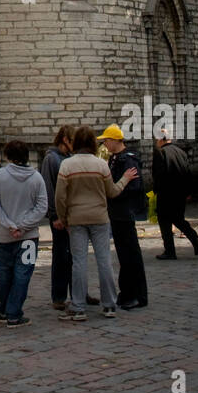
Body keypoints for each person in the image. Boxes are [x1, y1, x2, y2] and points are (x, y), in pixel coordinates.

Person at [54, 126, 138, 321]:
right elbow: (113, 192)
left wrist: (63, 218)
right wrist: (124, 180)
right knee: (104, 261)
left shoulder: (66, 166)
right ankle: (109, 304)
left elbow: (60, 197)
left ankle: (78, 306)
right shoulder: (101, 165)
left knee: (79, 263)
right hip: (100, 218)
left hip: (76, 219)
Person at [0, 139, 47, 328]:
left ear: (8, 156)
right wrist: (23, 225)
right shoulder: (36, 178)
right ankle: (14, 313)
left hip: (5, 235)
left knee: (5, 275)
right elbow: (42, 207)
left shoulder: (0, 175)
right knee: (23, 274)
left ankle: (5, 310)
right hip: (28, 236)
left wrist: (9, 224)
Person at [41, 126, 100, 310]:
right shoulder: (51, 158)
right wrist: (54, 216)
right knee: (61, 256)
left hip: (74, 216)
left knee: (77, 256)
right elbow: (49, 189)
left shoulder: (70, 158)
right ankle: (58, 296)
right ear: (65, 139)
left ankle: (79, 292)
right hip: (59, 217)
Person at [99, 124, 148, 310]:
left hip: (125, 212)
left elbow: (134, 187)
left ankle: (137, 295)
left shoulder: (128, 160)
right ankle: (126, 292)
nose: (104, 144)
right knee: (123, 255)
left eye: (106, 141)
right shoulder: (114, 158)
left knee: (131, 255)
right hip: (116, 213)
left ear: (114, 140)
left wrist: (115, 192)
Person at [151, 125, 198, 259]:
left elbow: (158, 175)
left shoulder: (160, 152)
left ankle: (170, 250)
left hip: (166, 193)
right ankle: (195, 240)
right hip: (180, 193)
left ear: (160, 140)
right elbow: (188, 173)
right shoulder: (181, 152)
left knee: (164, 221)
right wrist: (188, 191)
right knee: (178, 219)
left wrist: (156, 192)